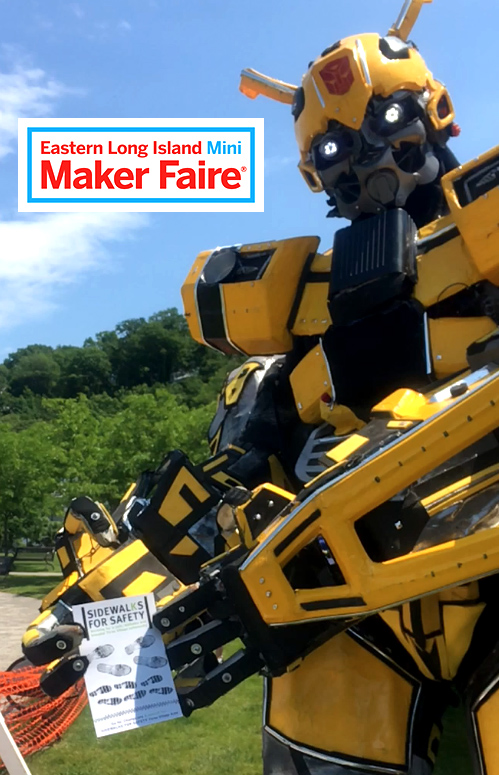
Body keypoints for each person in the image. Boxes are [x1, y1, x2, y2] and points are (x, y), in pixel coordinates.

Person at [24, 2, 499, 772]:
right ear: (314, 167)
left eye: (384, 123)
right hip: (346, 618)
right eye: (338, 146)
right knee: (317, 733)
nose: (363, 159)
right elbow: (219, 507)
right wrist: (97, 611)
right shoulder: (288, 326)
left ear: (432, 114)